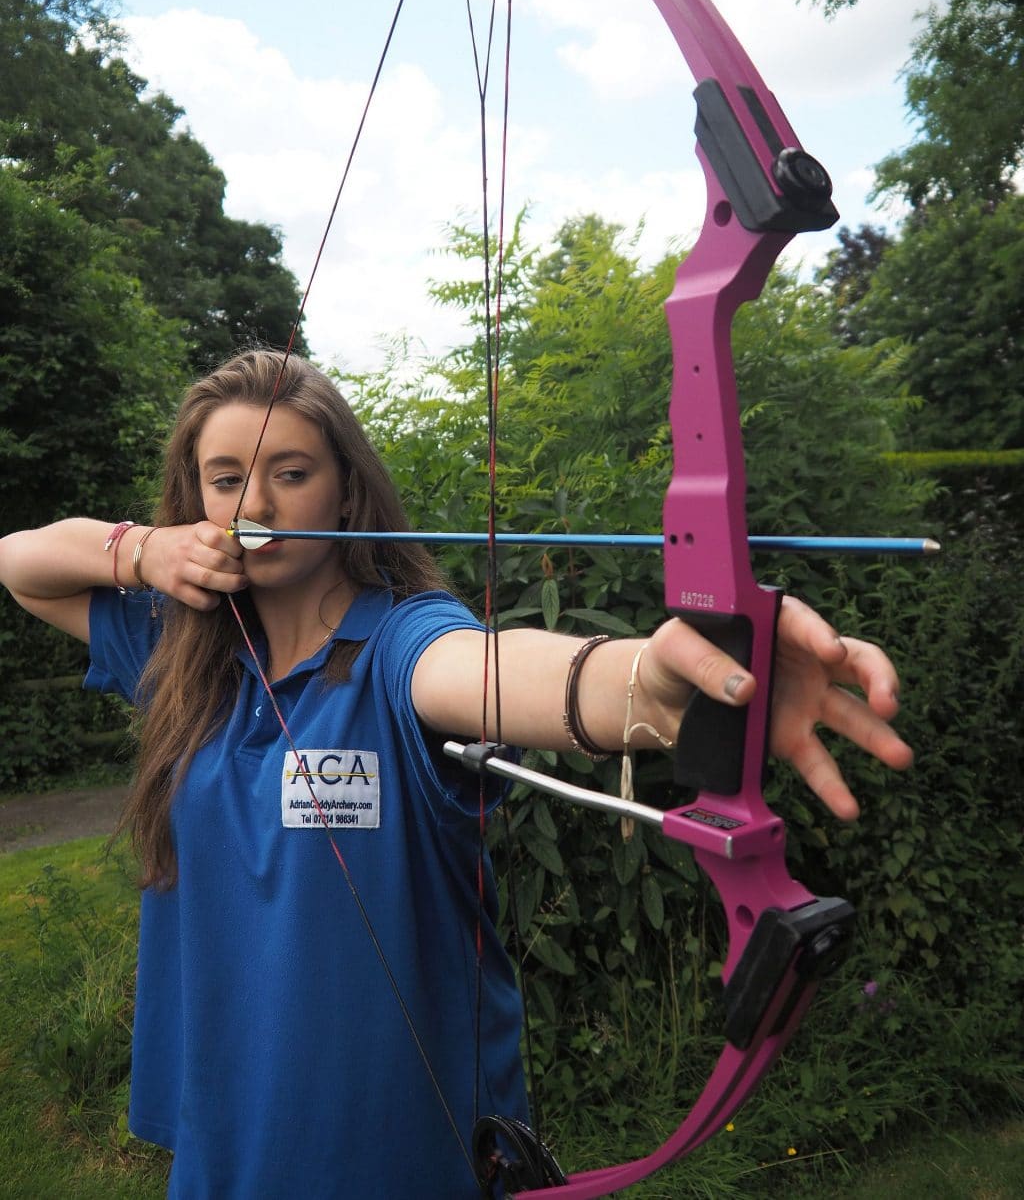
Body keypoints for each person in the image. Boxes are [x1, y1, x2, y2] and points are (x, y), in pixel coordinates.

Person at [0, 349, 912, 1199]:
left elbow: (498, 671)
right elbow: (21, 562)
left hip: (395, 1141)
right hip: (226, 1126)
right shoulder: (180, 647)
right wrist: (144, 552)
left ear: (346, 488)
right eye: (228, 477)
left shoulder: (404, 638)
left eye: (291, 471)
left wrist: (665, 685)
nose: (259, 505)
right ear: (194, 494)